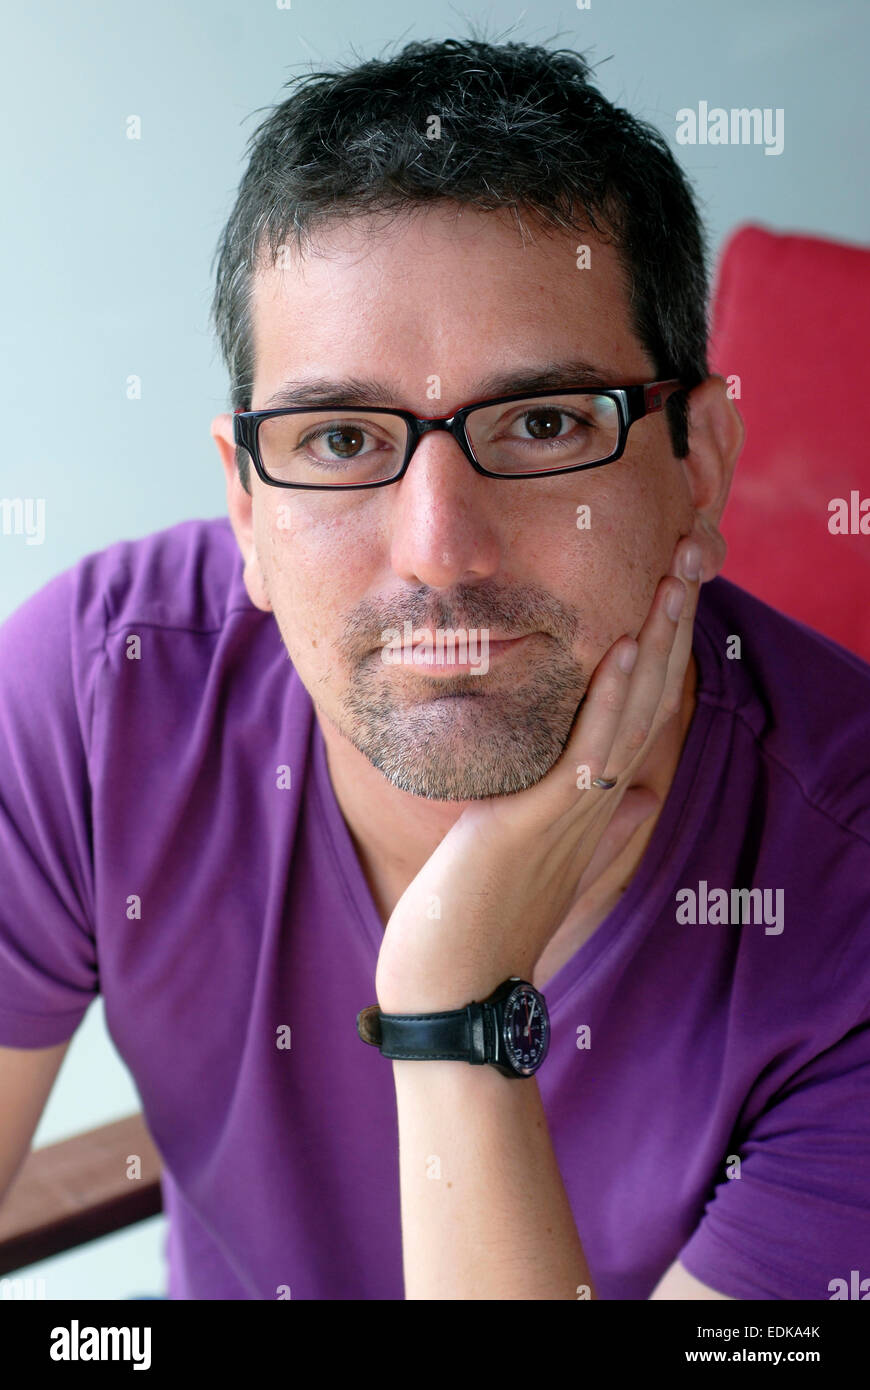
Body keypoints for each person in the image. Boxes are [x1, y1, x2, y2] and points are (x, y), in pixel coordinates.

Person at [1, 37, 868, 1302]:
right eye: (342, 438)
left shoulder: (841, 910)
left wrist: (458, 1003)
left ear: (700, 462)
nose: (439, 552)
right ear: (245, 508)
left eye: (543, 424)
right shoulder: (95, 698)